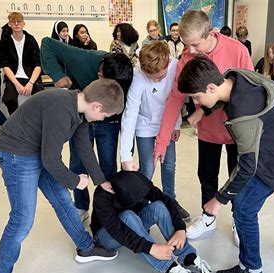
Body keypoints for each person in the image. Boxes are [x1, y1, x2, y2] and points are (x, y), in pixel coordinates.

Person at [177, 56, 274, 273]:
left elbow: (247, 167)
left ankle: (251, 269)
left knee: (244, 209)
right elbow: (222, 98)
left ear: (211, 87)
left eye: (196, 97)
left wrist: (219, 199)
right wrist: (203, 112)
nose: (196, 101)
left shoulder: (242, 115)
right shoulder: (235, 75)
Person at [0, 79, 123, 273]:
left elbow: (84, 149)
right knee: (22, 219)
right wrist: (74, 180)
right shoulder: (61, 107)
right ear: (97, 106)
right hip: (17, 154)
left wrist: (101, 180)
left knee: (62, 200)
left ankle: (86, 247)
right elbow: (51, 160)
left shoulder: (80, 112)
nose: (102, 119)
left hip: (38, 151)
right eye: (104, 116)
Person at [152, 10, 253, 242]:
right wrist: (162, 142)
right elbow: (175, 100)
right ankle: (208, 217)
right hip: (208, 132)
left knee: (239, 176)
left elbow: (247, 92)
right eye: (187, 46)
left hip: (237, 130)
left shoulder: (237, 50)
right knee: (206, 175)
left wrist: (203, 110)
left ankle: (240, 220)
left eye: (195, 45)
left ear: (211, 33)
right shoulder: (186, 58)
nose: (192, 52)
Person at [41, 37, 133, 221]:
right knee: (78, 163)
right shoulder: (83, 57)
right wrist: (57, 75)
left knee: (108, 164)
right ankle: (81, 206)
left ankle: (106, 207)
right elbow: (47, 44)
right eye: (102, 79)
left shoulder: (125, 74)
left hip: (108, 122)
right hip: (82, 117)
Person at [91, 171, 225, 273]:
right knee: (128, 216)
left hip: (131, 223)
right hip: (106, 237)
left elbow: (166, 200)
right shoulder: (102, 196)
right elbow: (117, 231)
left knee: (159, 206)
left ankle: (188, 258)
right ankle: (170, 270)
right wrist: (150, 248)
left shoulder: (138, 181)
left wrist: (180, 229)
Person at [120, 41, 190, 221]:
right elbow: (130, 115)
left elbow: (178, 98)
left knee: (169, 163)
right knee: (148, 167)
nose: (156, 80)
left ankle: (170, 200)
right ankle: (142, 203)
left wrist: (176, 124)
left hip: (167, 123)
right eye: (152, 77)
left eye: (160, 77)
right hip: (144, 123)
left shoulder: (175, 66)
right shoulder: (138, 75)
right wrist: (125, 156)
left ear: (168, 62)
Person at [0, 12, 43, 114]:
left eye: (19, 21)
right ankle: (16, 121)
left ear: (24, 24)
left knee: (41, 97)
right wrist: (17, 84)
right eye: (13, 22)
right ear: (9, 24)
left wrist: (30, 83)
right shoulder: (5, 41)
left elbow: (37, 64)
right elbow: (5, 66)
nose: (17, 24)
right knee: (9, 99)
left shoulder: (31, 40)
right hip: (14, 77)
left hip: (31, 76)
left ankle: (37, 122)